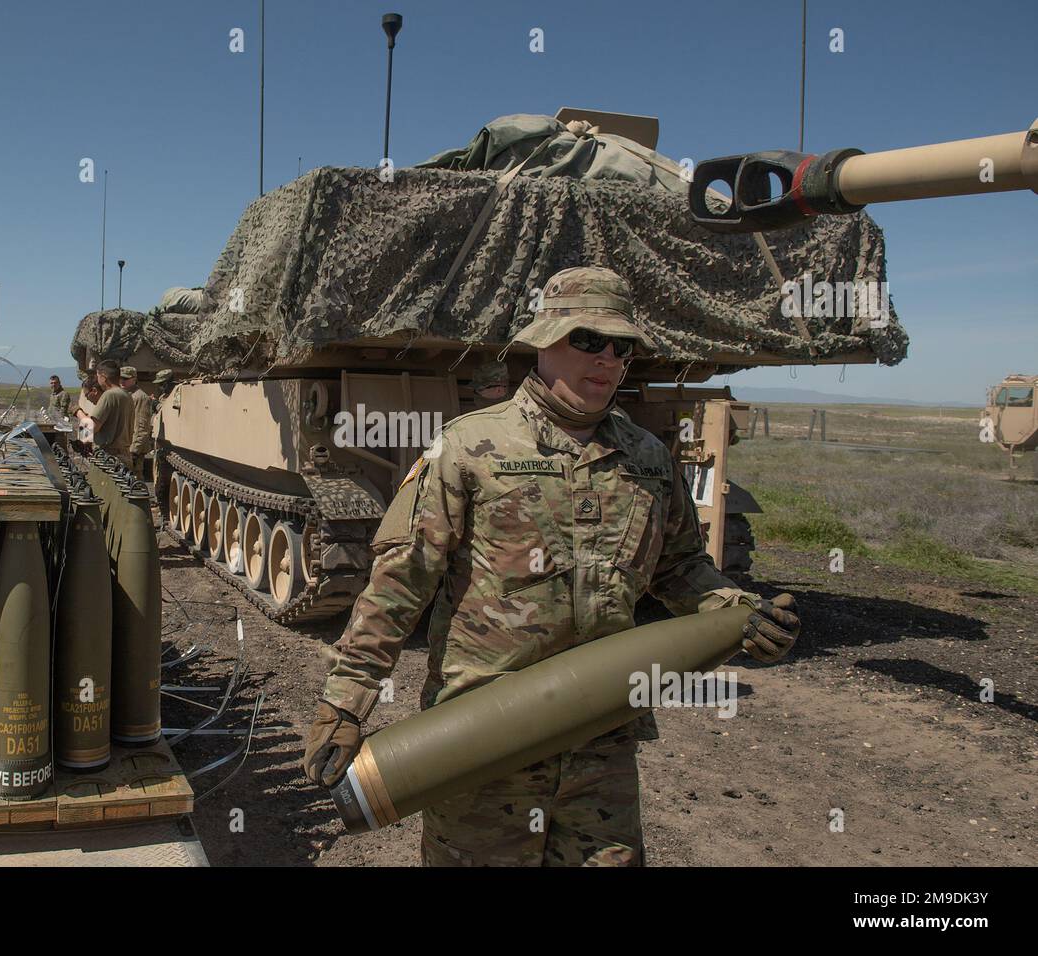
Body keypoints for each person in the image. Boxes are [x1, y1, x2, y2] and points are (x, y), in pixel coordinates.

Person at [302, 266, 801, 867]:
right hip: (481, 744)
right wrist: (344, 703)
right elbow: (400, 583)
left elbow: (681, 568)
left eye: (623, 347)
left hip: (602, 743)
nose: (608, 359)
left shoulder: (647, 458)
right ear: (546, 340)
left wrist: (735, 611)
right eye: (589, 340)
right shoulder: (468, 448)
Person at [76, 360, 134, 468]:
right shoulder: (127, 395)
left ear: (103, 377)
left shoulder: (109, 395)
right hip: (124, 455)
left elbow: (89, 430)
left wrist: (78, 412)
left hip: (109, 458)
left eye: (98, 376)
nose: (98, 380)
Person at [150, 369, 177, 525]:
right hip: (163, 445)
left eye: (162, 385)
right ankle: (165, 513)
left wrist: (156, 405)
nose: (160, 387)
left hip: (169, 448)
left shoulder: (174, 394)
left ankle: (166, 514)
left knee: (163, 484)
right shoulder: (164, 396)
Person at [121, 366, 154, 481]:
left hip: (133, 449)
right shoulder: (126, 395)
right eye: (120, 378)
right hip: (125, 447)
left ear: (134, 379)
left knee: (134, 481)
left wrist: (134, 451)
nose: (122, 381)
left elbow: (142, 427)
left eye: (126, 378)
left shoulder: (140, 397)